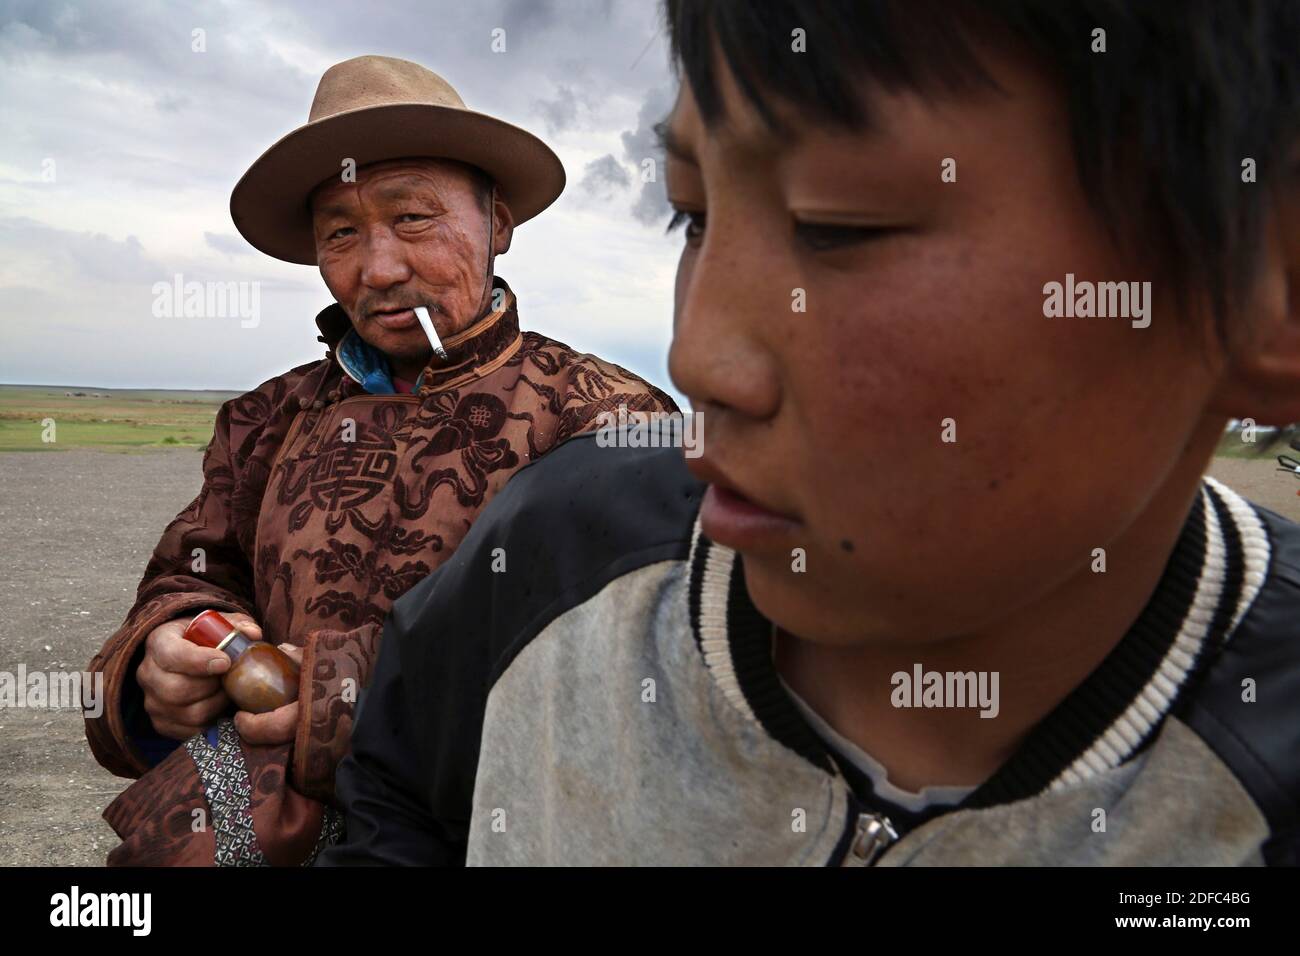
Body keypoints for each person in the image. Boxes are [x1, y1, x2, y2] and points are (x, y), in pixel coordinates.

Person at [322, 1, 1300, 865]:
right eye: (691, 217)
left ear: (1275, 289)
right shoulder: (562, 549)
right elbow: (393, 792)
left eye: (842, 223)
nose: (696, 357)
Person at [84, 54, 676, 866]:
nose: (380, 269)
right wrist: (168, 648)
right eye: (341, 233)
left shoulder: (607, 418)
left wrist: (343, 690)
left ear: (496, 222)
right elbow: (196, 572)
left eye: (414, 218)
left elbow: (632, 682)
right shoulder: (265, 418)